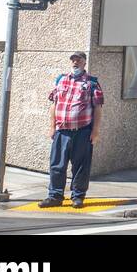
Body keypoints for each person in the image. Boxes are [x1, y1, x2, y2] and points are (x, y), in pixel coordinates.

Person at [38, 50, 104, 209]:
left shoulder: (91, 82)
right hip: (62, 131)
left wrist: (95, 131)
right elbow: (54, 105)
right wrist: (52, 127)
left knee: (81, 166)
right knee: (57, 165)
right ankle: (55, 196)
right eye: (73, 60)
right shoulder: (61, 80)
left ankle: (78, 196)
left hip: (82, 131)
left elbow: (98, 108)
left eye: (79, 60)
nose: (75, 62)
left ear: (84, 62)